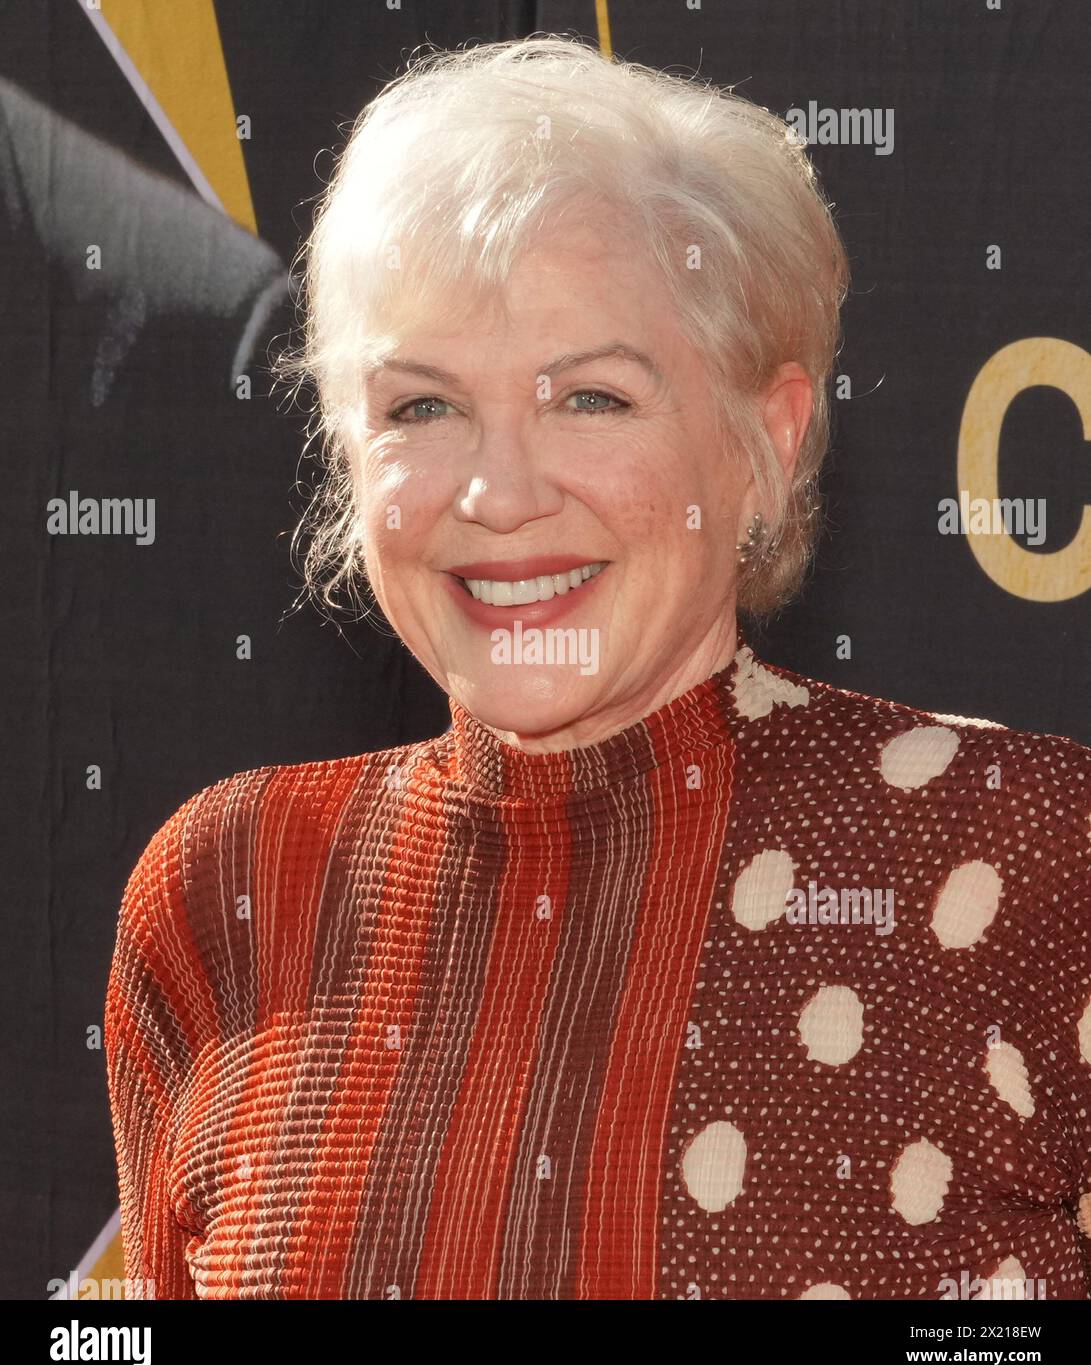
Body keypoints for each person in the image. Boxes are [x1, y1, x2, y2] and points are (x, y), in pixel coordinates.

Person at [105, 34, 1091, 1300]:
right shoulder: (224, 891)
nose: (498, 493)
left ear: (764, 444)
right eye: (421, 406)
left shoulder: (1026, 859)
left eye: (590, 399)